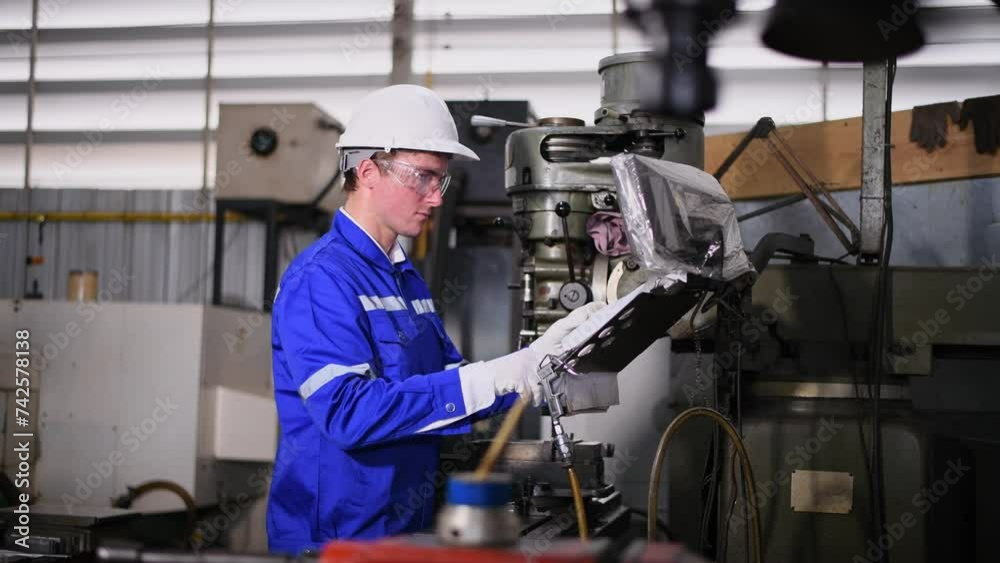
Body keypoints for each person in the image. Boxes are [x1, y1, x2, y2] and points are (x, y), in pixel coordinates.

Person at [266, 84, 603, 554]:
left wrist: (538, 376)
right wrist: (504, 376)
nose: (436, 197)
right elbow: (347, 412)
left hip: (405, 528)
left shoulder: (404, 277)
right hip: (335, 542)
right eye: (423, 177)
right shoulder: (320, 279)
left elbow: (449, 380)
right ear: (367, 172)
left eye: (439, 180)